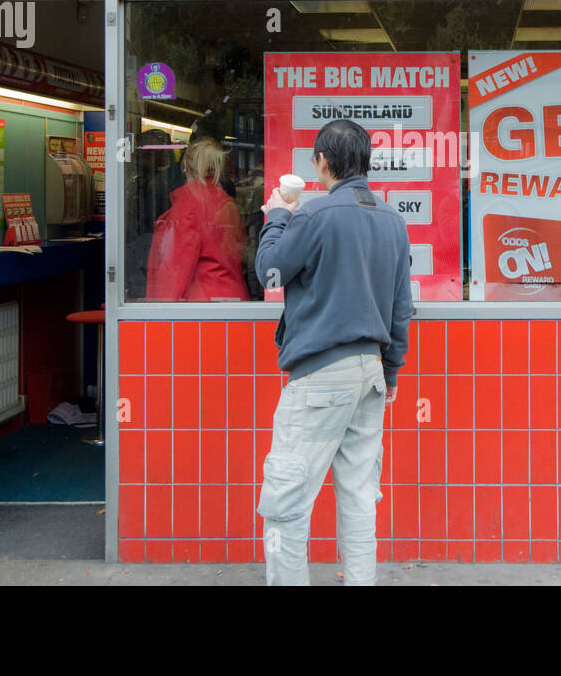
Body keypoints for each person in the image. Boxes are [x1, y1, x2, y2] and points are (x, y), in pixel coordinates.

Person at [253, 118, 413, 586]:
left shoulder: (313, 214)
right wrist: (393, 373)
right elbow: (401, 311)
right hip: (370, 376)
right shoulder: (394, 222)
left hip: (321, 376)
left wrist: (278, 216)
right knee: (360, 497)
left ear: (321, 163)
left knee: (286, 503)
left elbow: (271, 275)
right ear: (365, 162)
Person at [145, 136, 249, 301]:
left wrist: (159, 313)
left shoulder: (187, 206)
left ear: (185, 166)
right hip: (234, 296)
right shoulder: (228, 204)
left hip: (204, 305)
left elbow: (176, 270)